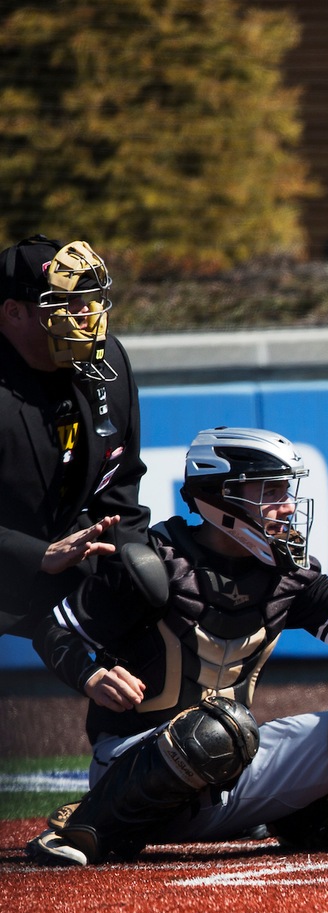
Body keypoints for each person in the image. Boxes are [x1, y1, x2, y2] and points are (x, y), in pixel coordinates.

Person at [22, 426, 328, 867]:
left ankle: (317, 825)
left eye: (287, 491)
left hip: (230, 768)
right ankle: (87, 828)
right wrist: (92, 675)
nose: (286, 506)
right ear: (219, 495)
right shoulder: (151, 562)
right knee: (224, 729)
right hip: (132, 768)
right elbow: (52, 629)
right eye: (270, 492)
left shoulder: (285, 572)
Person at [0, 235, 149, 643]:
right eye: (65, 304)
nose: (87, 316)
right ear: (13, 313)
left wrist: (131, 568)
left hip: (73, 566)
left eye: (90, 299)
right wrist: (38, 556)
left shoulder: (109, 361)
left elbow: (121, 482)